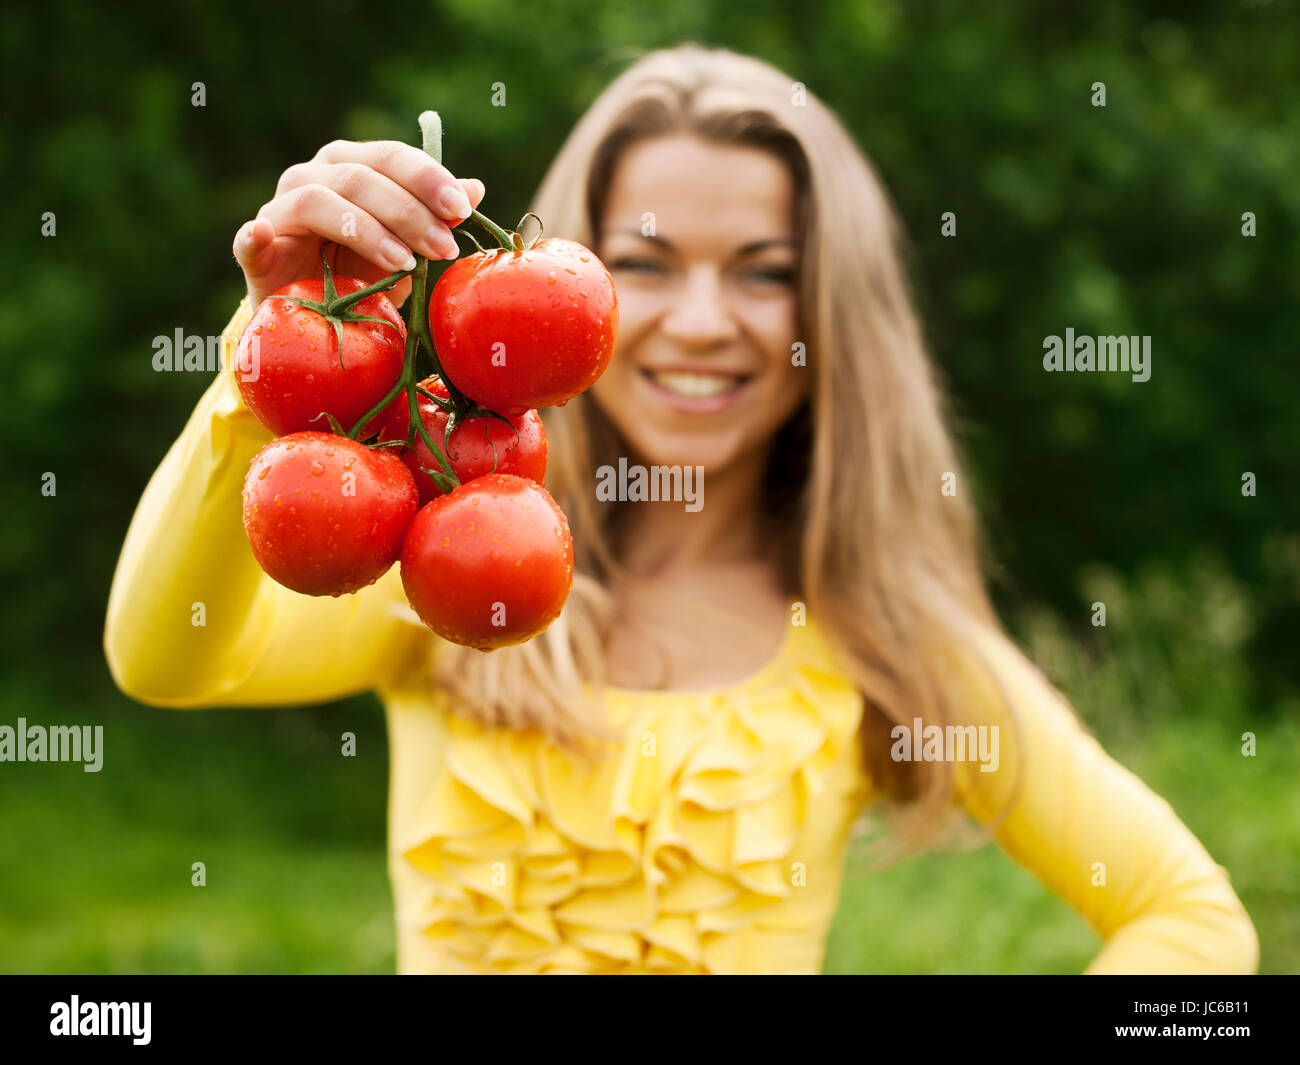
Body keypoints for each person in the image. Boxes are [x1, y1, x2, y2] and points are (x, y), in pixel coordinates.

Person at [104, 43, 1258, 975]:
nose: (704, 320)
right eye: (648, 266)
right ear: (551, 281)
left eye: (762, 270)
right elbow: (167, 659)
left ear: (830, 311)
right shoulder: (451, 574)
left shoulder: (878, 638)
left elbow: (1189, 917)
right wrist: (271, 368)